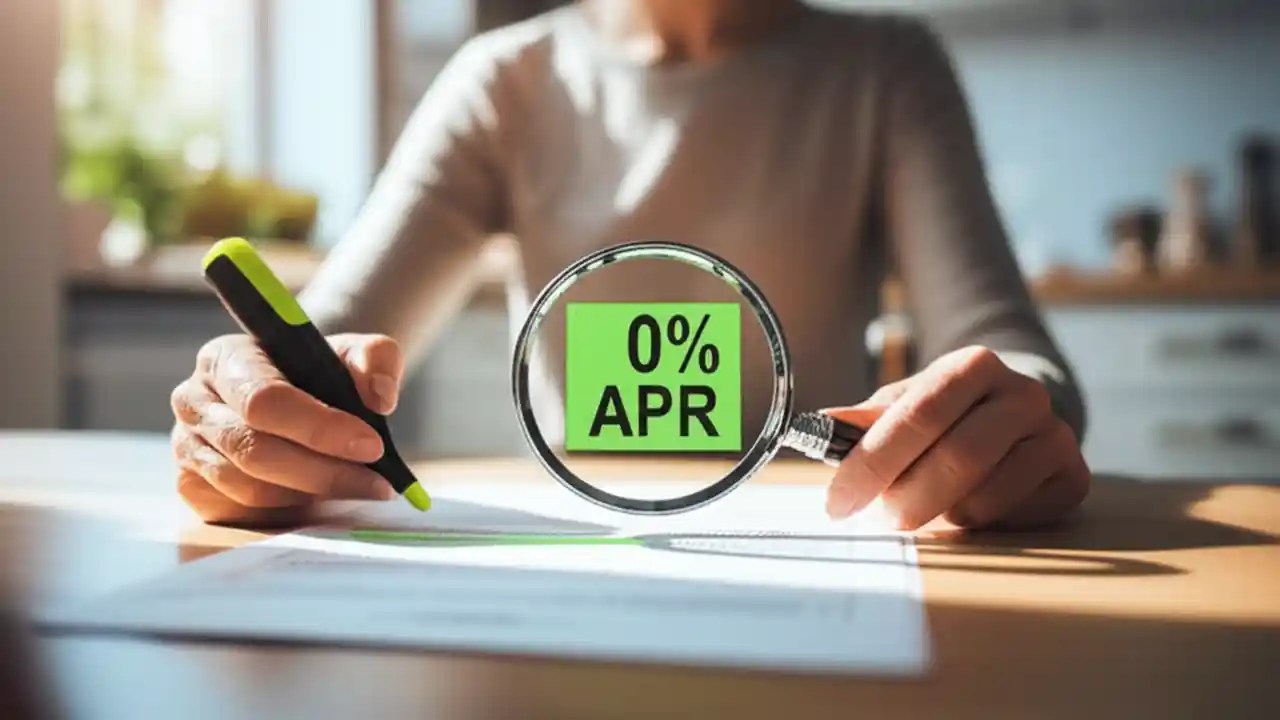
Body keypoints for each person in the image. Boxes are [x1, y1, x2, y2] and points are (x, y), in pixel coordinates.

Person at [169, 0, 1091, 529]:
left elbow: (1003, 343)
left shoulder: (887, 68)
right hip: (587, 551)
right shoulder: (505, 81)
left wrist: (1011, 404)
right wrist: (251, 406)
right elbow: (322, 341)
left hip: (820, 544)